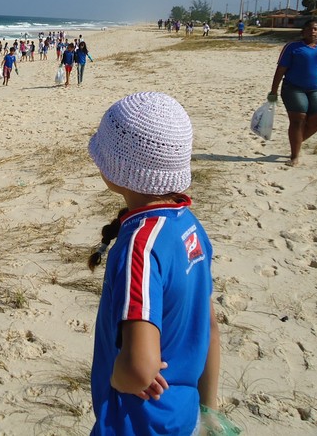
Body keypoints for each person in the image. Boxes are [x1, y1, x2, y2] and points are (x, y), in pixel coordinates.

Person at [87, 92, 220, 435]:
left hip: (138, 423)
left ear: (119, 170)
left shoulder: (140, 248)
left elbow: (139, 370)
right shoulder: (189, 226)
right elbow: (210, 327)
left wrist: (120, 375)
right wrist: (208, 409)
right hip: (183, 415)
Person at [268, 19, 317, 167]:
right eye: (309, 29)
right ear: (303, 31)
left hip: (316, 88)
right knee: (298, 119)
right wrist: (274, 91)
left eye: (315, 29)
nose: (312, 31)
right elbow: (280, 69)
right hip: (293, 88)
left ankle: (297, 141)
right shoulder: (292, 47)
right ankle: (294, 155)